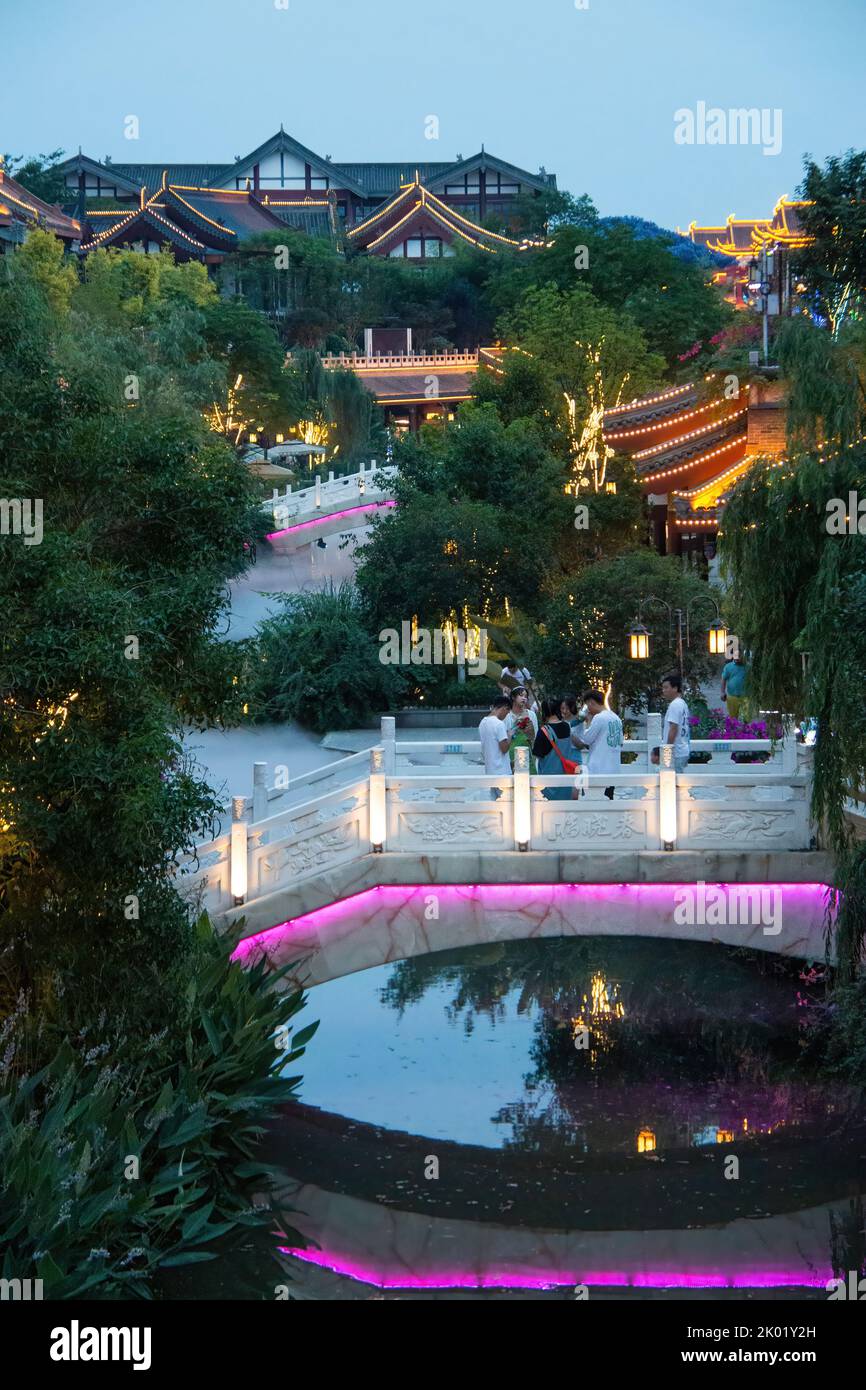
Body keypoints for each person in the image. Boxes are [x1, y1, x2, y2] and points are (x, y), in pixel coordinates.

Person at [571, 689, 623, 799]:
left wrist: (588, 720)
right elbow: (620, 742)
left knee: (594, 805)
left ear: (591, 702)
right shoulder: (616, 718)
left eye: (586, 705)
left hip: (598, 769)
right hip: (613, 769)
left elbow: (586, 739)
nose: (587, 709)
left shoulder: (599, 718)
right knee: (609, 801)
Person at [533, 698, 580, 800]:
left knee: (549, 810)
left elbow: (537, 754)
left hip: (549, 779)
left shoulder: (544, 731)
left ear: (544, 712)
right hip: (566, 776)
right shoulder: (567, 726)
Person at [479, 694, 513, 800]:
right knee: (507, 804)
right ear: (504, 708)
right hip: (502, 772)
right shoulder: (499, 724)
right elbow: (504, 748)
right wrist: (510, 736)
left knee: (495, 805)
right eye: (507, 712)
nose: (506, 716)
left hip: (490, 771)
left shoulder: (482, 723)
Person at [661, 672, 691, 773]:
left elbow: (673, 728)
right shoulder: (682, 704)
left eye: (666, 688)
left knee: (671, 783)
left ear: (675, 688)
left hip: (676, 752)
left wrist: (668, 750)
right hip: (683, 749)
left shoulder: (674, 705)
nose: (663, 691)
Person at [505, 687, 538, 772]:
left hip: (527, 754)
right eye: (521, 695)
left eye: (526, 696)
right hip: (510, 755)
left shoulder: (531, 715)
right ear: (513, 697)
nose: (524, 698)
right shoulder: (507, 715)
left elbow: (535, 736)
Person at [720, 652, 749, 720]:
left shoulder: (748, 667)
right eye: (735, 657)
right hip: (732, 696)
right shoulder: (728, 666)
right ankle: (733, 730)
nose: (737, 658)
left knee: (746, 718)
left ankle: (745, 730)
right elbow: (723, 679)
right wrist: (722, 692)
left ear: (743, 657)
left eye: (739, 657)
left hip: (746, 697)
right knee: (733, 719)